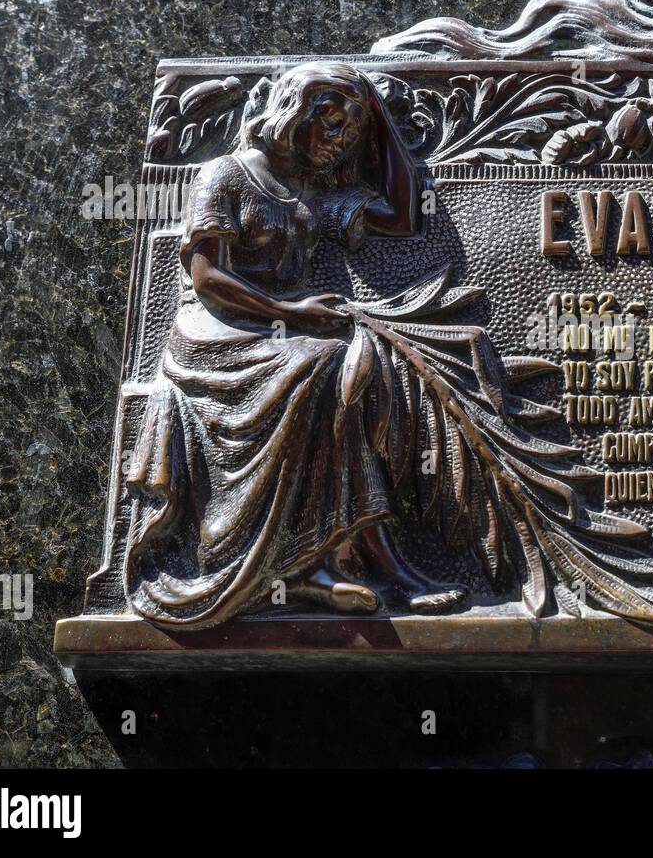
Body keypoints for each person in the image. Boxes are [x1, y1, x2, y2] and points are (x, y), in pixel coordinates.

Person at [124, 61, 466, 629]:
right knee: (320, 365)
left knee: (357, 365)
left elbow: (405, 216)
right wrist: (287, 313)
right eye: (331, 124)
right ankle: (318, 565)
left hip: (288, 329)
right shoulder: (223, 175)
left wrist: (378, 113)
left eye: (351, 135)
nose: (339, 143)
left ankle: (343, 560)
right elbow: (207, 277)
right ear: (291, 113)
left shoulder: (312, 194)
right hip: (217, 331)